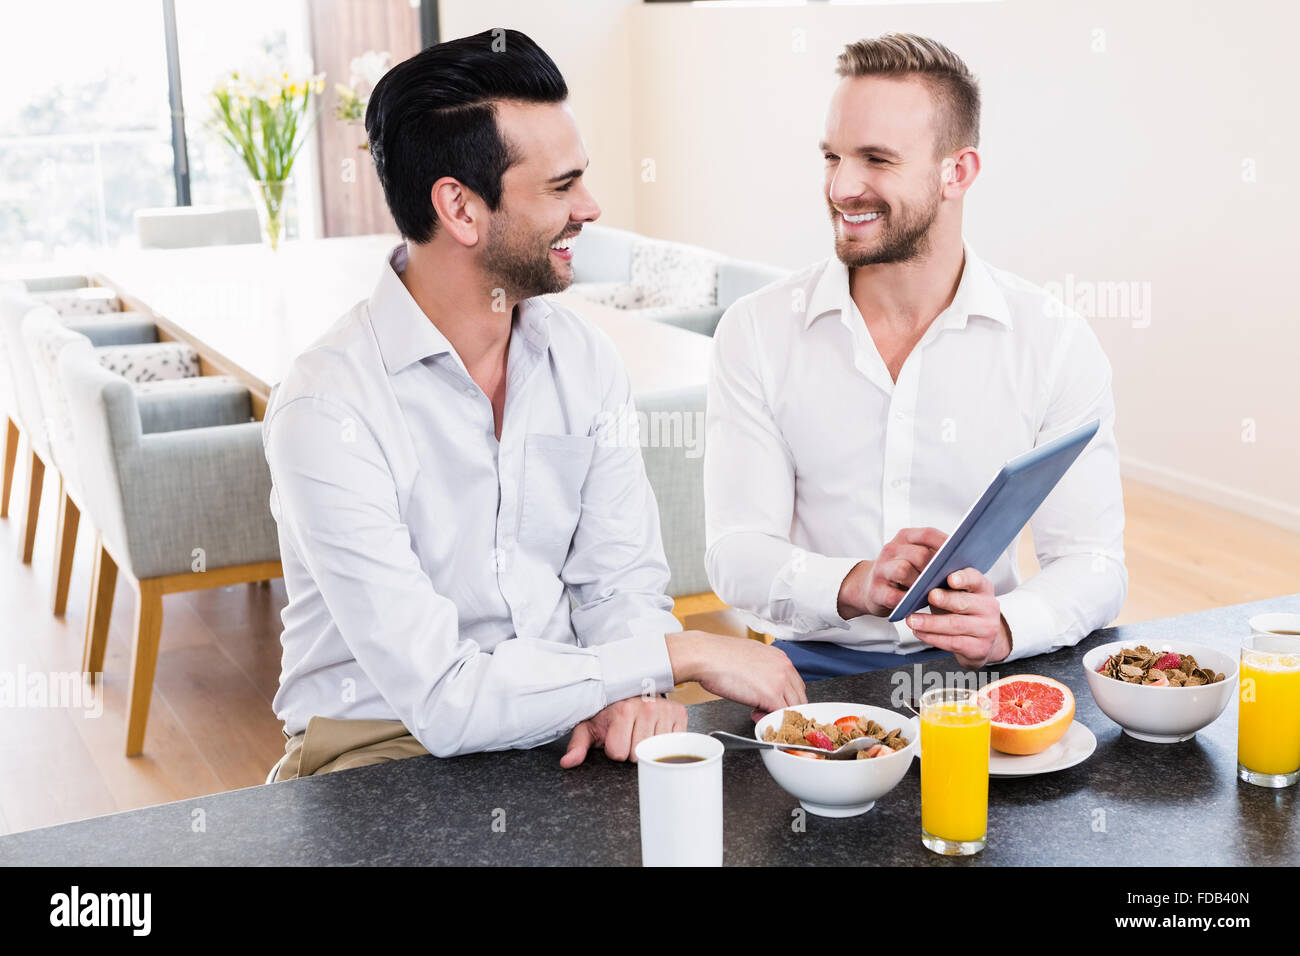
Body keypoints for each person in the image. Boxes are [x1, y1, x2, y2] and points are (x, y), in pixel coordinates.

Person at [263, 29, 804, 779]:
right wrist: (679, 654)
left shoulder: (583, 362)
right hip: (381, 749)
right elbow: (446, 701)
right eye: (560, 186)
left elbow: (620, 583)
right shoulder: (326, 409)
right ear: (459, 208)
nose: (590, 206)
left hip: (567, 717)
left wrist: (636, 688)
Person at [704, 33, 1127, 682]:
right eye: (833, 157)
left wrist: (1008, 625)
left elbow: (1095, 563)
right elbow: (735, 553)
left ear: (957, 173)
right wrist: (853, 582)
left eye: (876, 159)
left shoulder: (1053, 342)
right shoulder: (756, 331)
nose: (843, 186)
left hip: (983, 667)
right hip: (810, 667)